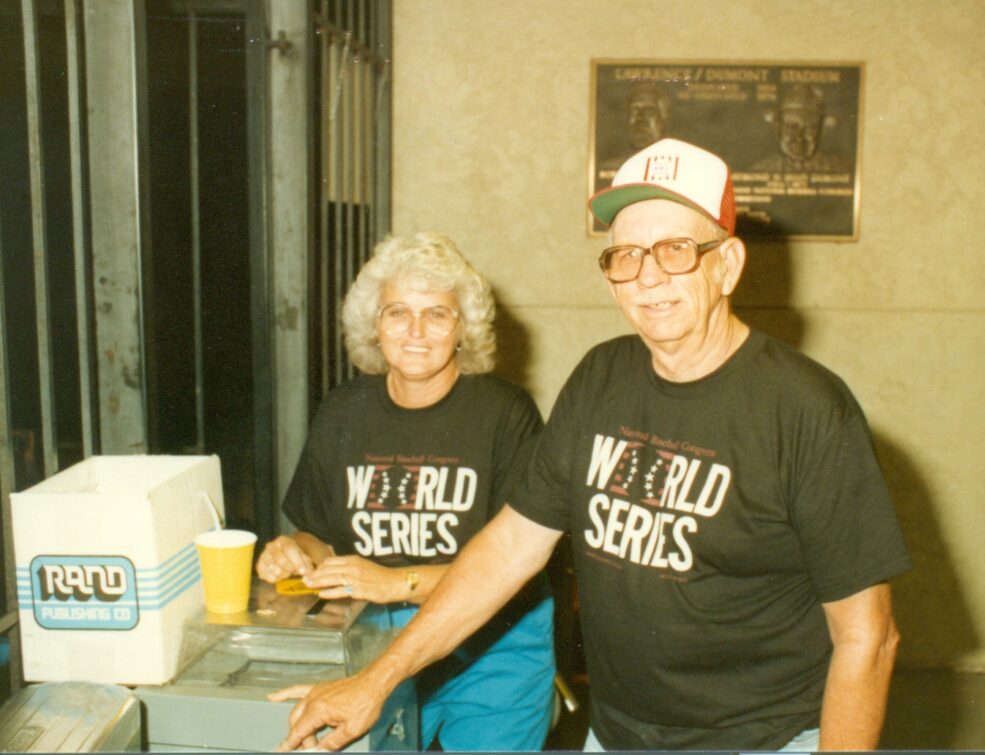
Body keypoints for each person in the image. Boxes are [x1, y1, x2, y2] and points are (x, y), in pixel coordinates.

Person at [271, 140, 911, 752]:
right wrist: (377, 679)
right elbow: (509, 548)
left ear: (728, 264)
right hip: (616, 735)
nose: (648, 277)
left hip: (762, 742)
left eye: (676, 250)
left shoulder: (807, 411)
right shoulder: (601, 378)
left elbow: (869, 638)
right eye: (626, 255)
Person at [257, 232, 555, 751]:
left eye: (436, 314)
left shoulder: (506, 414)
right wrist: (296, 554)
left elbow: (512, 566)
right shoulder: (342, 411)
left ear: (463, 328)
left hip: (492, 649)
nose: (416, 331)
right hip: (372, 640)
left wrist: (393, 582)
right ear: (374, 325)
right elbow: (319, 535)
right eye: (398, 312)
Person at [750, 83, 850, 173]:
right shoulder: (760, 170)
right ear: (779, 127)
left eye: (809, 128)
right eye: (792, 127)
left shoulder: (840, 169)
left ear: (821, 131)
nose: (799, 137)